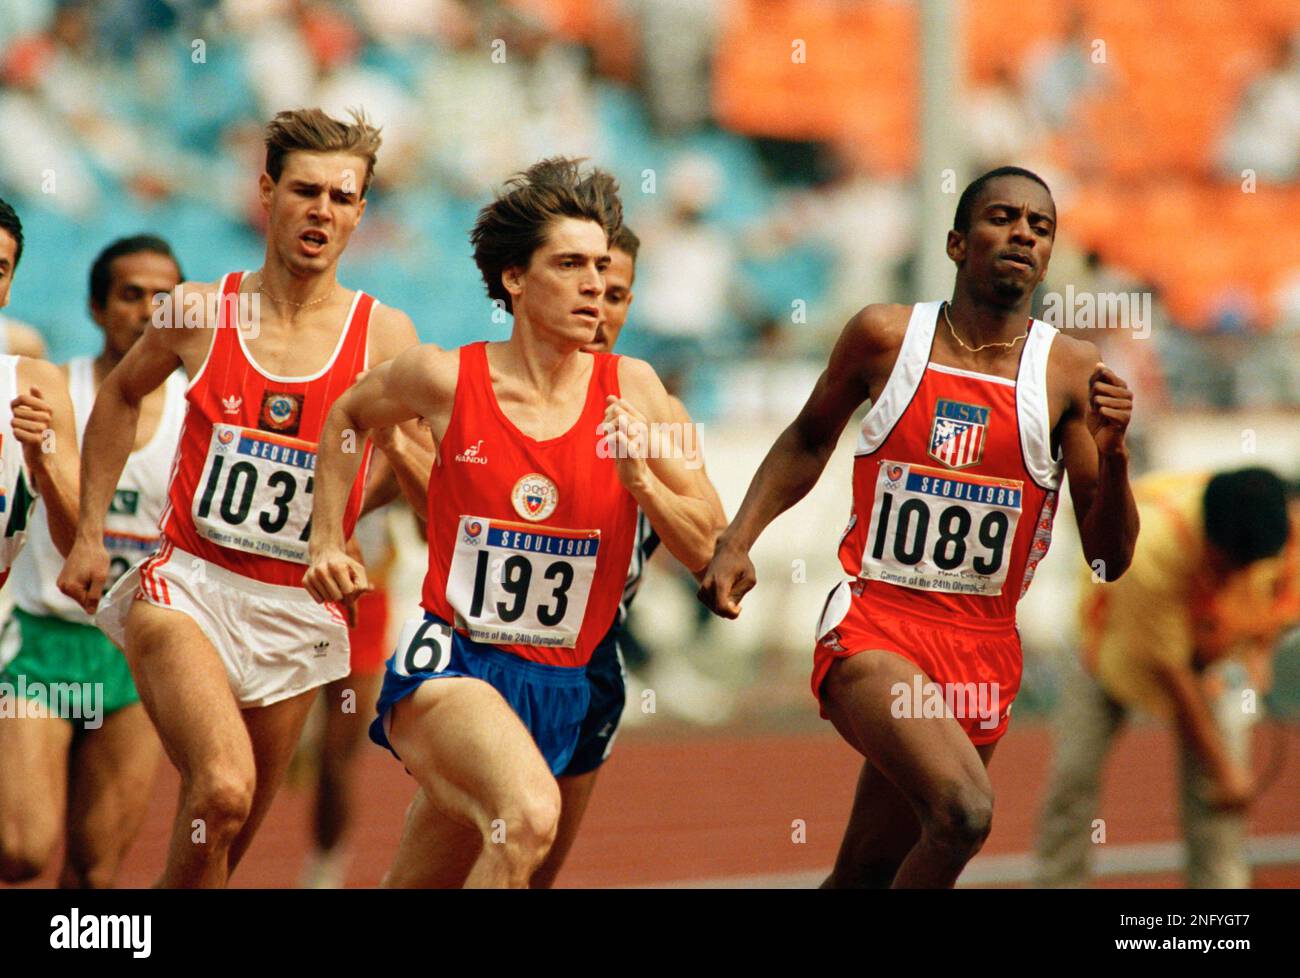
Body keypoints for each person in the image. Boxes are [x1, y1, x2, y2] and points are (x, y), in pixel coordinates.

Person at [698, 165, 1140, 888]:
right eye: (1002, 217)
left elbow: (1109, 558)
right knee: (962, 813)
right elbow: (809, 439)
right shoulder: (884, 336)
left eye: (1040, 226)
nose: (1023, 233)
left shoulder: (1069, 372)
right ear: (957, 243)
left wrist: (1116, 457)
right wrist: (737, 539)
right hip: (877, 625)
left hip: (983, 648)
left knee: (867, 871)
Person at [304, 158, 724, 888]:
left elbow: (709, 548)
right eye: (570, 265)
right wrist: (327, 539)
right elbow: (347, 414)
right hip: (457, 665)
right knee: (527, 819)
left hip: (570, 681)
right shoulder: (444, 378)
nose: (595, 284)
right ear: (516, 281)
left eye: (601, 266)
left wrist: (643, 483)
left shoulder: (639, 391)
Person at [57, 108, 427, 888]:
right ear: (266, 192)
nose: (321, 210)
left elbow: (420, 461)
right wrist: (90, 532)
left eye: (341, 196)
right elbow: (119, 397)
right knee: (222, 788)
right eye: (305, 190)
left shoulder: (383, 337)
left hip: (292, 612)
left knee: (219, 845)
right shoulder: (199, 309)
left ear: (361, 213)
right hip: (186, 586)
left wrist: (339, 518)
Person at [530, 224, 725, 888]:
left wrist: (644, 482)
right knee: (491, 837)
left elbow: (716, 553)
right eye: (583, 283)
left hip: (588, 667)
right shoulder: (483, 383)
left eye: (616, 293)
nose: (598, 305)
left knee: (533, 866)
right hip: (482, 658)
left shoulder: (650, 406)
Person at [0, 235, 185, 887]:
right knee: (22, 847)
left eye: (162, 298)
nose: (146, 310)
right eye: (130, 295)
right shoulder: (55, 387)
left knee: (96, 867)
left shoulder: (201, 411)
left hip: (135, 652)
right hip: (42, 638)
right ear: (97, 307)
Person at [1034, 467, 1296, 888]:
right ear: (1207, 542)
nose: (1230, 580)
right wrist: (1226, 770)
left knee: (1219, 804)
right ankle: (1056, 883)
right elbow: (1174, 676)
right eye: (1223, 567)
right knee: (1073, 779)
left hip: (1211, 656)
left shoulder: (1277, 530)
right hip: (1112, 651)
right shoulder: (1152, 543)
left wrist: (1258, 654)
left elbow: (1280, 606)